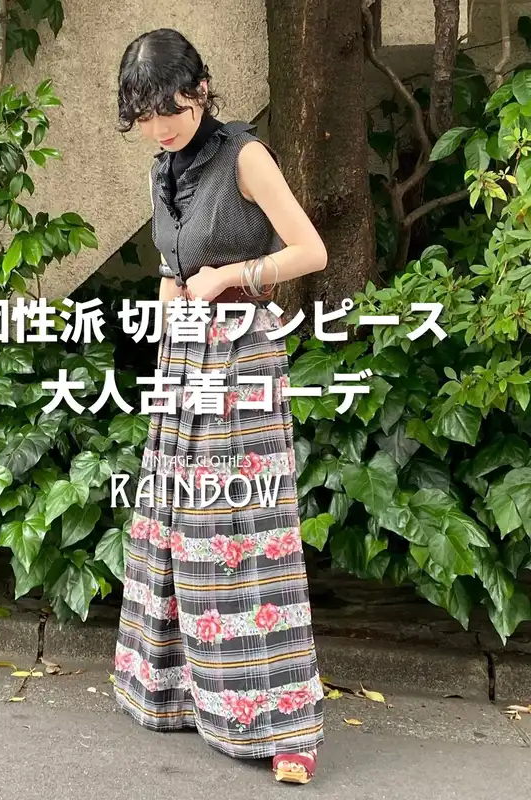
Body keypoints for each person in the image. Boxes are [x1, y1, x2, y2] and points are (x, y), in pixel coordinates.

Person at [113, 28, 328, 785]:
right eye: (145, 116)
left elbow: (311, 250)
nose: (160, 127)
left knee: (244, 529)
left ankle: (285, 724)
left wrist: (235, 275)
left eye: (170, 109)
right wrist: (169, 310)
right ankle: (182, 694)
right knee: (179, 524)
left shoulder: (246, 156)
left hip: (241, 356)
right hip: (184, 359)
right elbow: (171, 265)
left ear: (199, 91)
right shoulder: (161, 170)